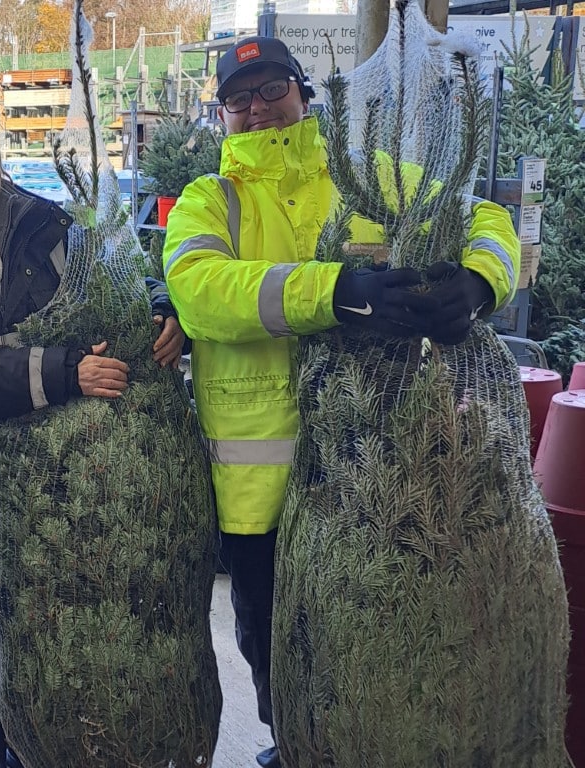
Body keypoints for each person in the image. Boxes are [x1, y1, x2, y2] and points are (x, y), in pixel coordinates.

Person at [162, 37, 520, 767]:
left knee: (376, 635)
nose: (256, 109)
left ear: (302, 92)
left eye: (270, 89)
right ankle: (290, 747)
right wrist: (332, 292)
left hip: (374, 477)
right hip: (258, 492)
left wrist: (481, 282)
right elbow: (198, 291)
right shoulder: (211, 200)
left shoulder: (367, 180)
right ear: (223, 113)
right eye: (239, 98)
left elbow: (483, 215)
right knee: (272, 645)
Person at [0, 109, 186, 768]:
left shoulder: (50, 228)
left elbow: (121, 284)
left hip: (65, 496)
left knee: (62, 631)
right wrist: (61, 369)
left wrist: (164, 310)